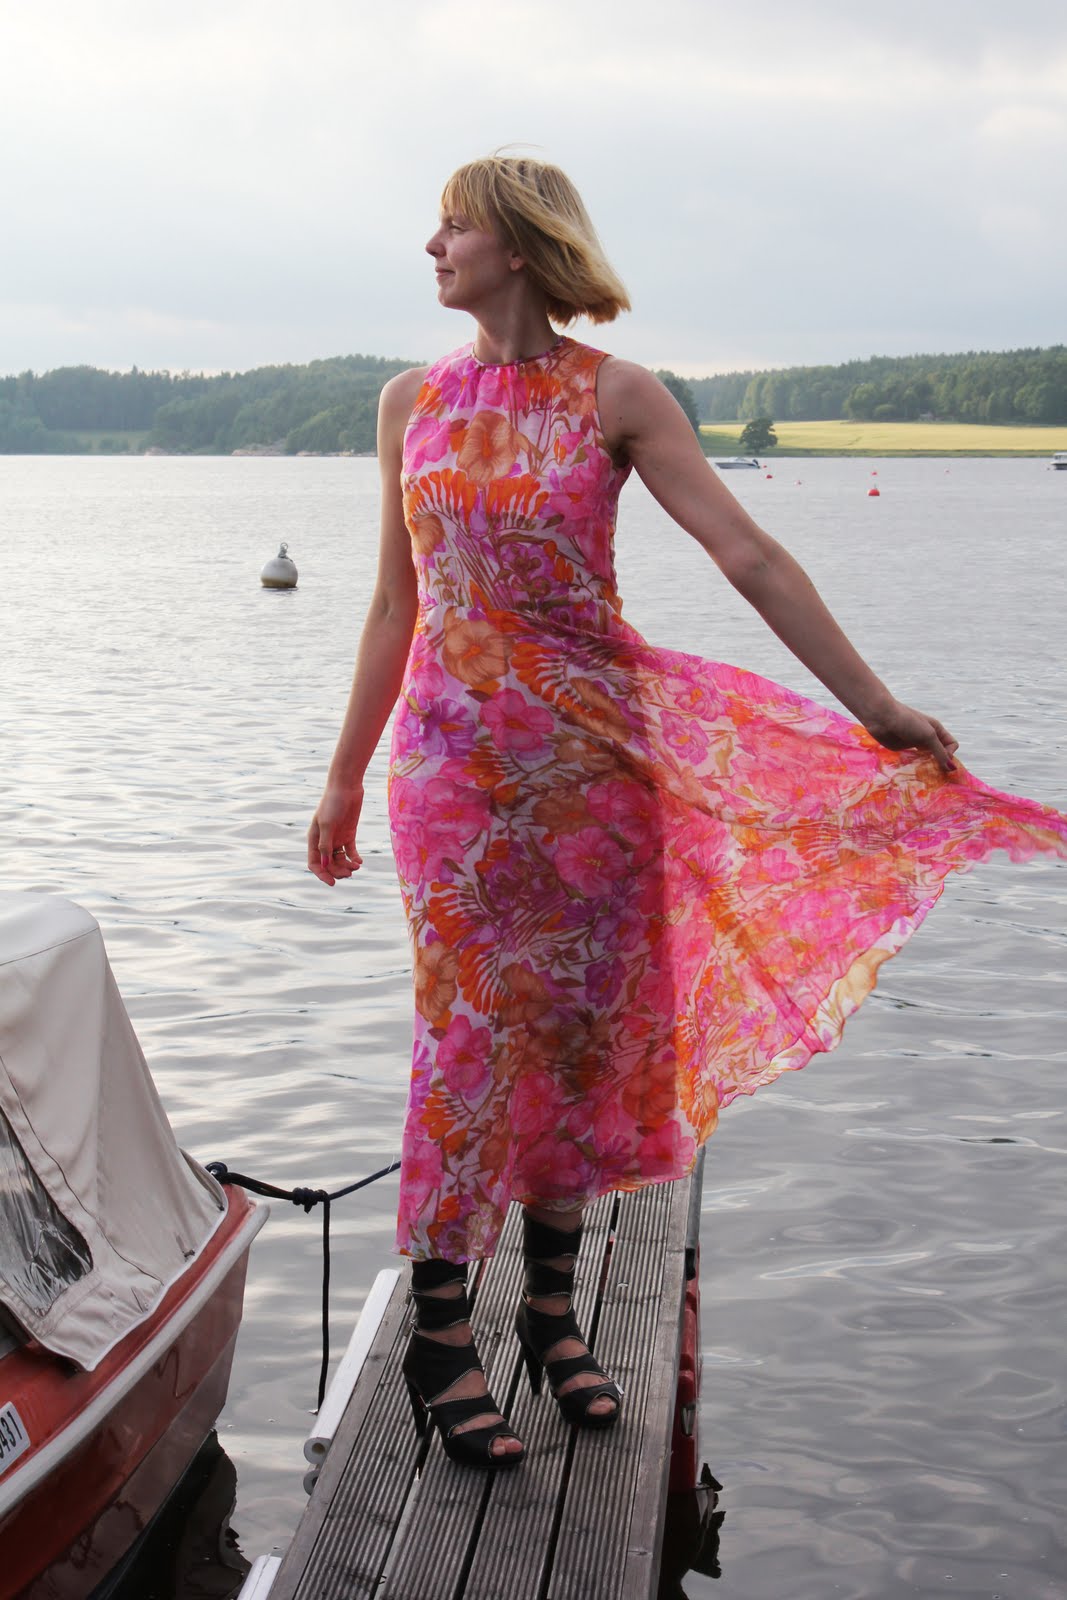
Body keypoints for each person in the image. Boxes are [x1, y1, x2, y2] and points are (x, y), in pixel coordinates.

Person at [308, 155, 1067, 1470]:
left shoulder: (620, 393)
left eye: (457, 223)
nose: (432, 242)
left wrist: (877, 706)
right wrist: (337, 775)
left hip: (598, 765)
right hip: (448, 771)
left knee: (587, 1032)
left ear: (523, 244)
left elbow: (749, 552)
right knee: (467, 1025)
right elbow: (394, 605)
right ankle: (444, 1334)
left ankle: (551, 1316)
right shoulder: (406, 402)